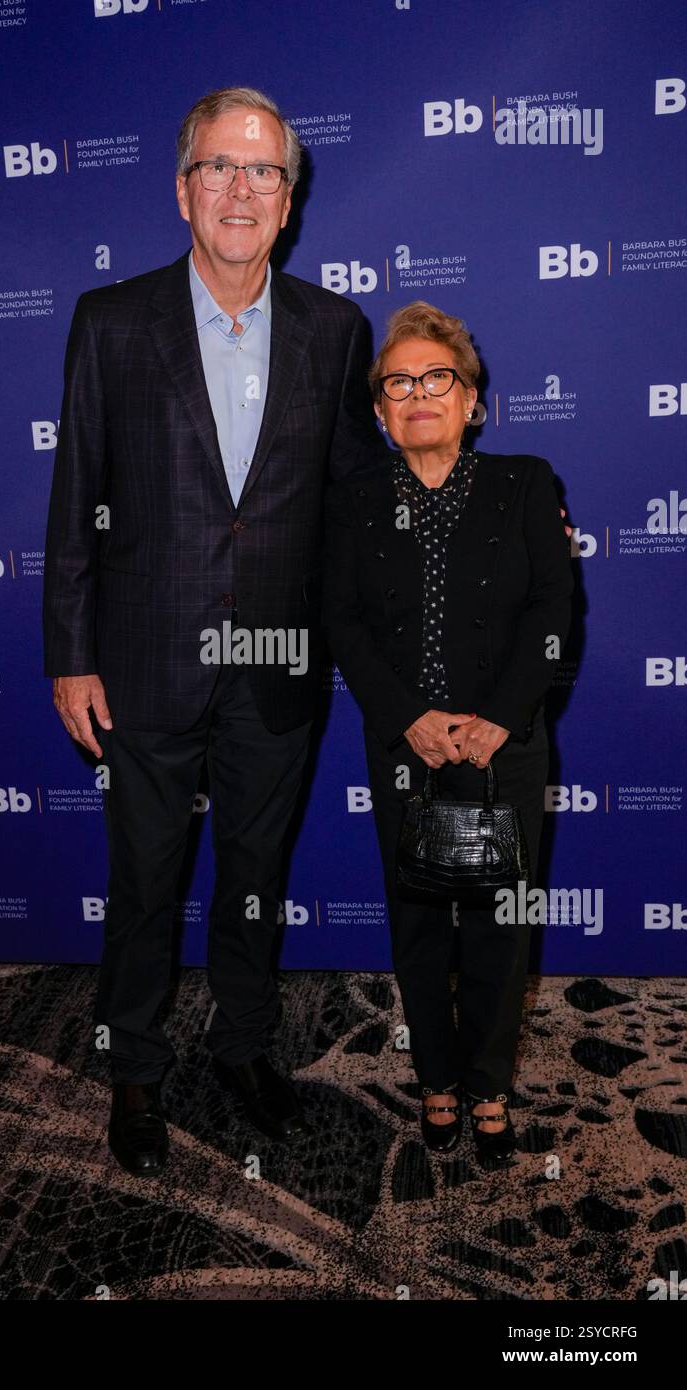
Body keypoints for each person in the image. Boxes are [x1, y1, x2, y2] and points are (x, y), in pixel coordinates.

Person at [42, 87, 387, 1175]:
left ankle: (242, 1049)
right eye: (219, 168)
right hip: (144, 663)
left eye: (263, 173)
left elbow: (354, 499)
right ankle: (134, 1074)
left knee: (254, 874)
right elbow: (74, 497)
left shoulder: (335, 332)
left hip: (277, 667)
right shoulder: (111, 320)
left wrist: (474, 521)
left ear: (289, 201)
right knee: (144, 882)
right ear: (181, 187)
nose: (241, 191)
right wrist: (70, 655)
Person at [322, 301, 574, 1162]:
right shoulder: (354, 503)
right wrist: (409, 720)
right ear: (384, 410)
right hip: (407, 753)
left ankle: (490, 1086)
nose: (419, 394)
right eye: (400, 383)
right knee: (420, 923)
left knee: (503, 929)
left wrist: (499, 718)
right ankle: (435, 1080)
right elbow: (343, 624)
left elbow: (552, 608)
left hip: (505, 747)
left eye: (439, 378)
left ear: (472, 400)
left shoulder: (526, 482)